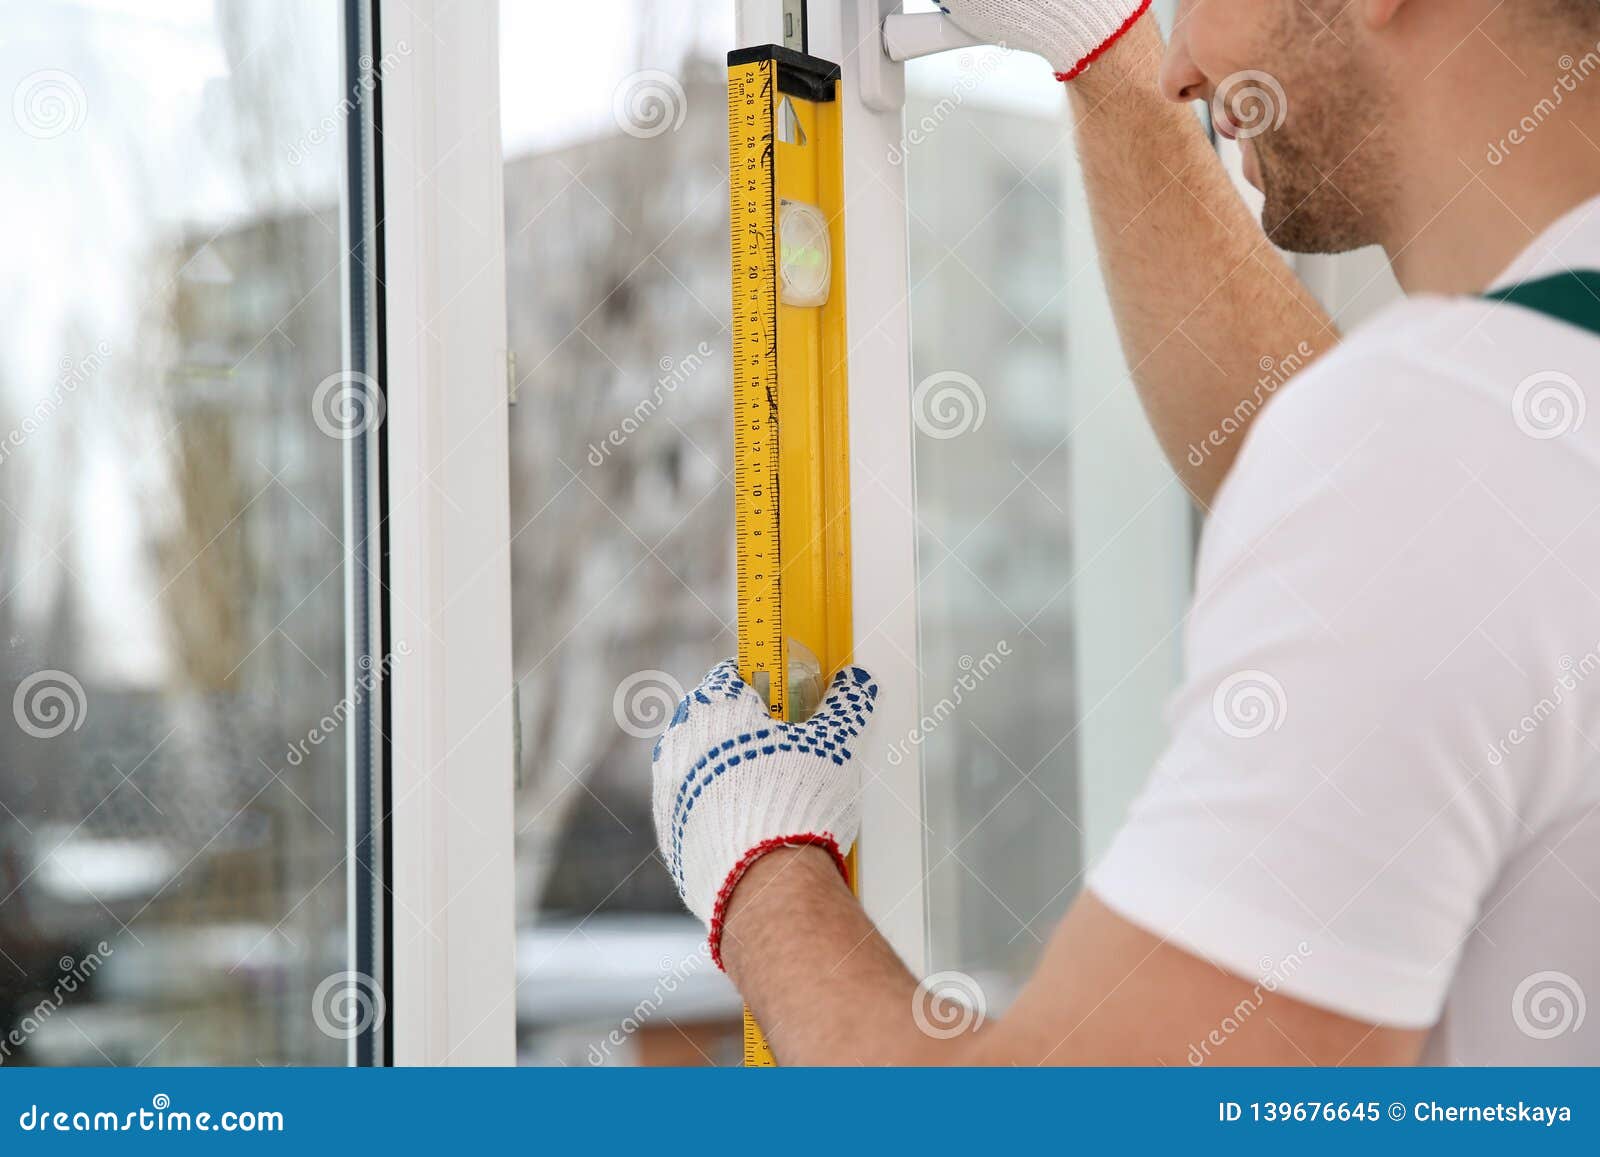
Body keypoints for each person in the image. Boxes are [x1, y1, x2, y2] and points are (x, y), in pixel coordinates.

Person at [651, 0, 1600, 1065]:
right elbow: (1396, 526)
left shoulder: (1445, 444)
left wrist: (765, 868)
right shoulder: (1502, 426)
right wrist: (1100, 52)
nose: (1179, 68)